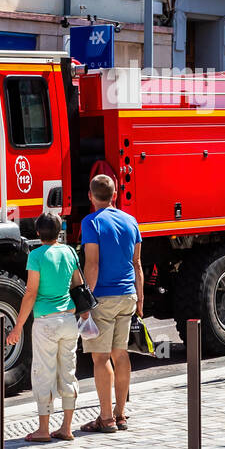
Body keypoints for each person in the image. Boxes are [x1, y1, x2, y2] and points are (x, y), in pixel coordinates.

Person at [8, 212, 86, 442]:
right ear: (58, 230)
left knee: (44, 374)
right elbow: (78, 284)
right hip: (69, 319)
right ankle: (66, 427)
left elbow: (31, 293)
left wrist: (18, 326)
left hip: (46, 322)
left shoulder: (36, 256)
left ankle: (43, 429)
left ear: (38, 232)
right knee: (68, 373)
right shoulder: (70, 252)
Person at [79, 174, 143, 433]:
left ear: (90, 196)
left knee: (101, 357)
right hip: (128, 295)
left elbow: (92, 264)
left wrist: (86, 300)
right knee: (121, 354)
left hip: (103, 297)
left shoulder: (91, 222)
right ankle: (121, 414)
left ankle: (105, 418)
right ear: (115, 194)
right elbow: (137, 263)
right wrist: (140, 297)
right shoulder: (131, 221)